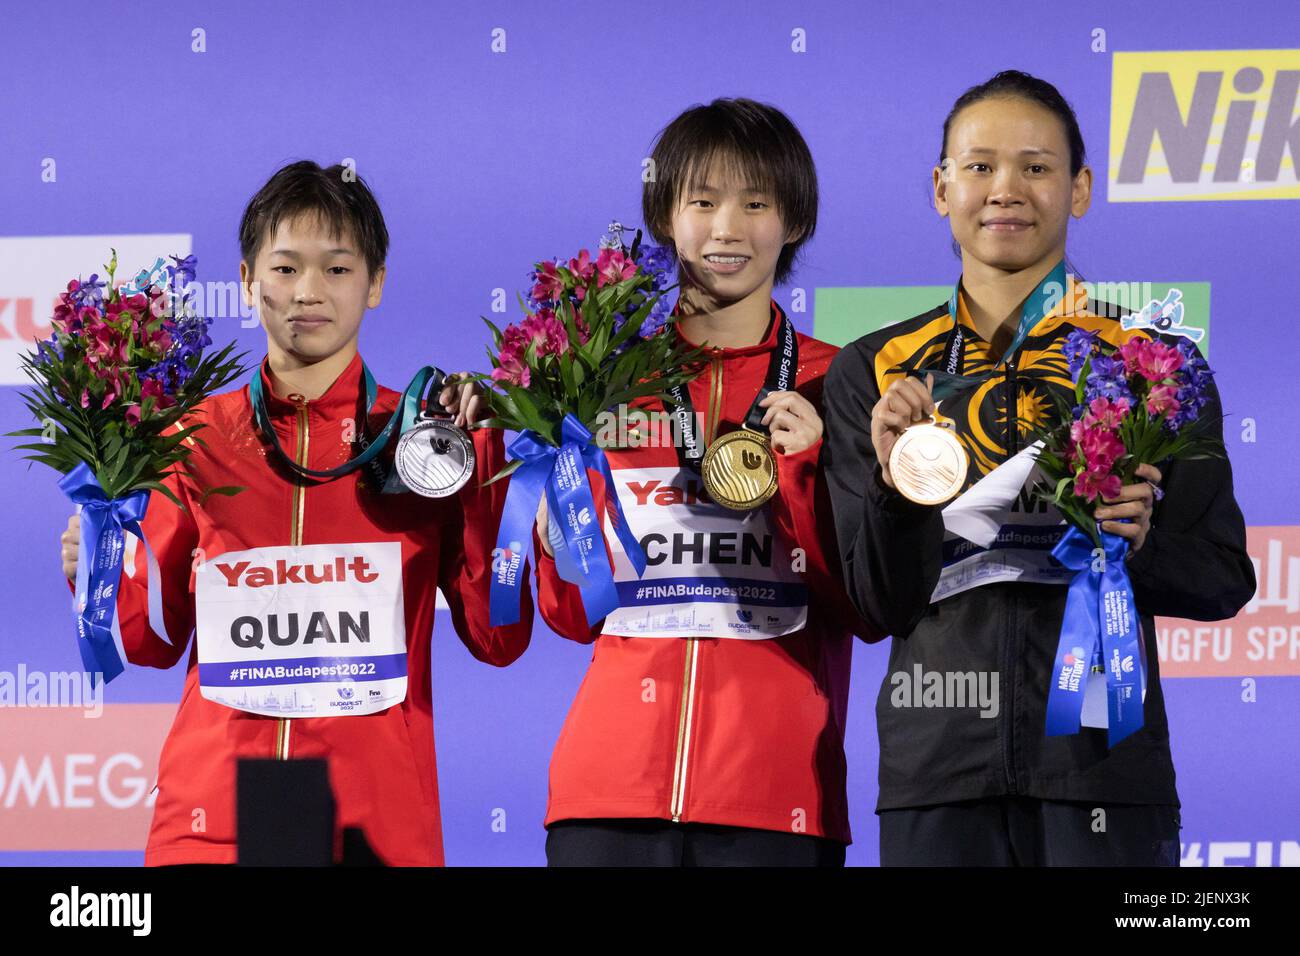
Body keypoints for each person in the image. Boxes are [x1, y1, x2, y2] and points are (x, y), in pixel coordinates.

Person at [822, 71, 1256, 866]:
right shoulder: (875, 373)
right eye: (980, 166)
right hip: (937, 777)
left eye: (1037, 166)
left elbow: (1224, 577)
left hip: (1105, 771)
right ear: (940, 187)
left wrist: (1142, 540)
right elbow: (874, 604)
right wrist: (895, 489)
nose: (1006, 190)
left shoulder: (1153, 366)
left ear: (1080, 188)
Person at [59, 160, 534, 866]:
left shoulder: (431, 439)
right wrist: (99, 560)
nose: (308, 292)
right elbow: (151, 642)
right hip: (213, 816)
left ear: (376, 283)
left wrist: (487, 483)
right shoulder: (190, 435)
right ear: (247, 281)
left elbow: (498, 639)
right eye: (285, 268)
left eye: (338, 269)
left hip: (373, 820)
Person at [534, 98, 877, 867]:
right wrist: (555, 507)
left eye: (756, 202)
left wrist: (805, 472)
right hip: (605, 797)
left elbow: (861, 602)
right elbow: (568, 612)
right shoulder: (603, 379)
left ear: (794, 221)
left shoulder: (841, 383)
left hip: (778, 796)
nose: (726, 228)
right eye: (702, 201)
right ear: (664, 217)